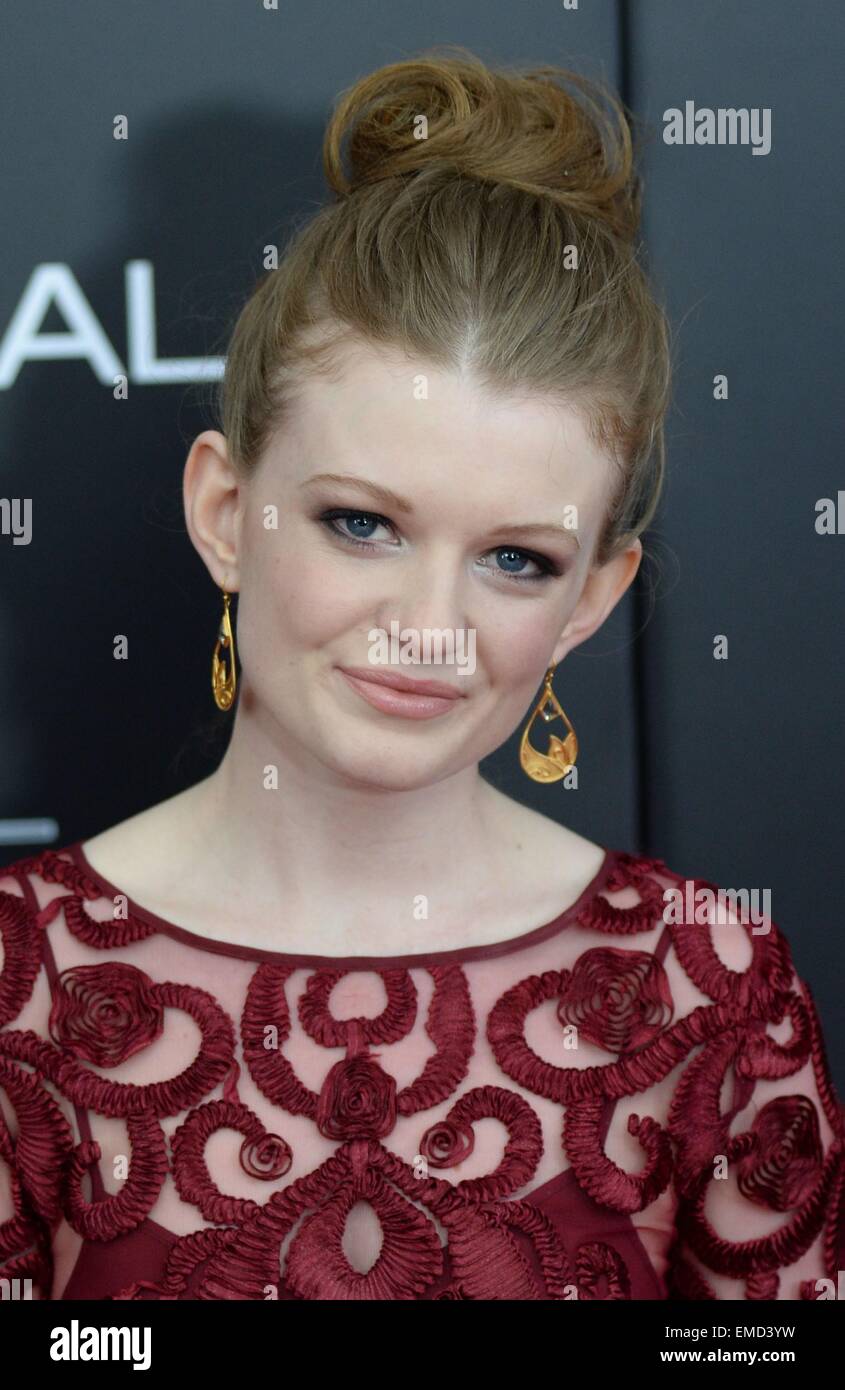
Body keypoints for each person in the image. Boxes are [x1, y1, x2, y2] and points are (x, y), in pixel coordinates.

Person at [1, 47, 842, 1302]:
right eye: (361, 524)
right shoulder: (20, 993)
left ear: (588, 601)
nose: (429, 626)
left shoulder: (706, 988)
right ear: (228, 511)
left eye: (513, 556)